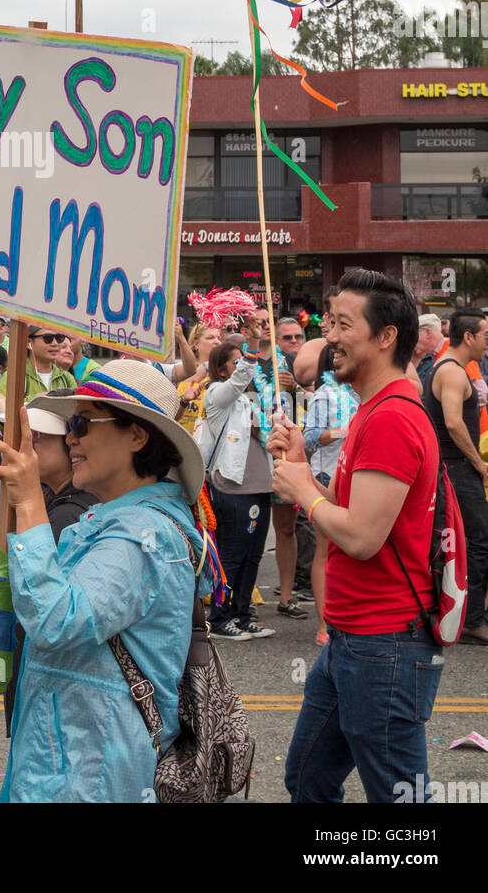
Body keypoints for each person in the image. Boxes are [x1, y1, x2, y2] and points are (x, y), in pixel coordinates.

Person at [0, 357, 214, 802]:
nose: (70, 438)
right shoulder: (109, 519)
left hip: (93, 772)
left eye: (83, 423)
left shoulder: (144, 535)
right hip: (62, 758)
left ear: (138, 436)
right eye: (70, 426)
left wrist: (28, 502)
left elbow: (56, 619)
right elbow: (35, 590)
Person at [269, 268, 444, 804]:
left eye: (343, 325)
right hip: (352, 639)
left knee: (400, 802)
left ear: (386, 336)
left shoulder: (391, 417)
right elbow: (354, 513)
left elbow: (363, 537)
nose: (329, 338)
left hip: (383, 645)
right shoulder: (372, 408)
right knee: (308, 780)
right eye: (328, 323)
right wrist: (306, 470)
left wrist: (303, 490)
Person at [2, 402, 99, 733]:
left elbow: (45, 609)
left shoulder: (67, 515)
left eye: (40, 438)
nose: (28, 445)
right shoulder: (52, 498)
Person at [196, 336, 274, 641]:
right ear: (223, 370)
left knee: (253, 556)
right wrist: (253, 343)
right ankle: (219, 617)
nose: (244, 366)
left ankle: (242, 615)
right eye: (236, 361)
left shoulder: (250, 398)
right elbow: (243, 375)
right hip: (230, 486)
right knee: (231, 555)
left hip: (260, 488)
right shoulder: (216, 394)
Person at [423, 306, 488, 645]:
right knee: (478, 543)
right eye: (485, 337)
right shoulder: (451, 372)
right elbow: (452, 421)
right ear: (468, 337)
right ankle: (471, 620)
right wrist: (478, 463)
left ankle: (467, 612)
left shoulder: (454, 368)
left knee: (461, 543)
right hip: (456, 469)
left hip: (454, 468)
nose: (487, 343)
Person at [242, 306, 307, 620]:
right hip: (251, 452)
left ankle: (286, 595)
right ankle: (245, 596)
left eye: (270, 322)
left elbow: (308, 405)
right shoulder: (243, 358)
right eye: (260, 322)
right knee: (250, 528)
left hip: (283, 452)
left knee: (286, 528)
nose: (265, 327)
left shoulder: (289, 362)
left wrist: (294, 387)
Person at [303, 344, 359, 646]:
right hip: (326, 474)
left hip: (351, 476)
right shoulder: (325, 393)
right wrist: (345, 431)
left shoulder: (358, 393)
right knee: (325, 551)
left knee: (349, 548)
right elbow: (310, 437)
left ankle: (345, 616)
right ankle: (324, 624)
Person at [0, 326, 75, 434]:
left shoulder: (67, 378)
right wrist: (32, 402)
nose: (55, 343)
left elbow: (78, 414)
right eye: (47, 338)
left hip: (59, 449)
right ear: (28, 342)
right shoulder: (12, 376)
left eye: (58, 338)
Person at [174, 324, 222, 433]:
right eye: (210, 338)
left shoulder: (223, 373)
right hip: (181, 438)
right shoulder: (181, 370)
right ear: (196, 344)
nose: (217, 342)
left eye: (219, 338)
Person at [412, 313, 444, 393]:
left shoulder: (430, 359)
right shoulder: (400, 353)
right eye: (438, 334)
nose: (441, 338)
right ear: (428, 333)